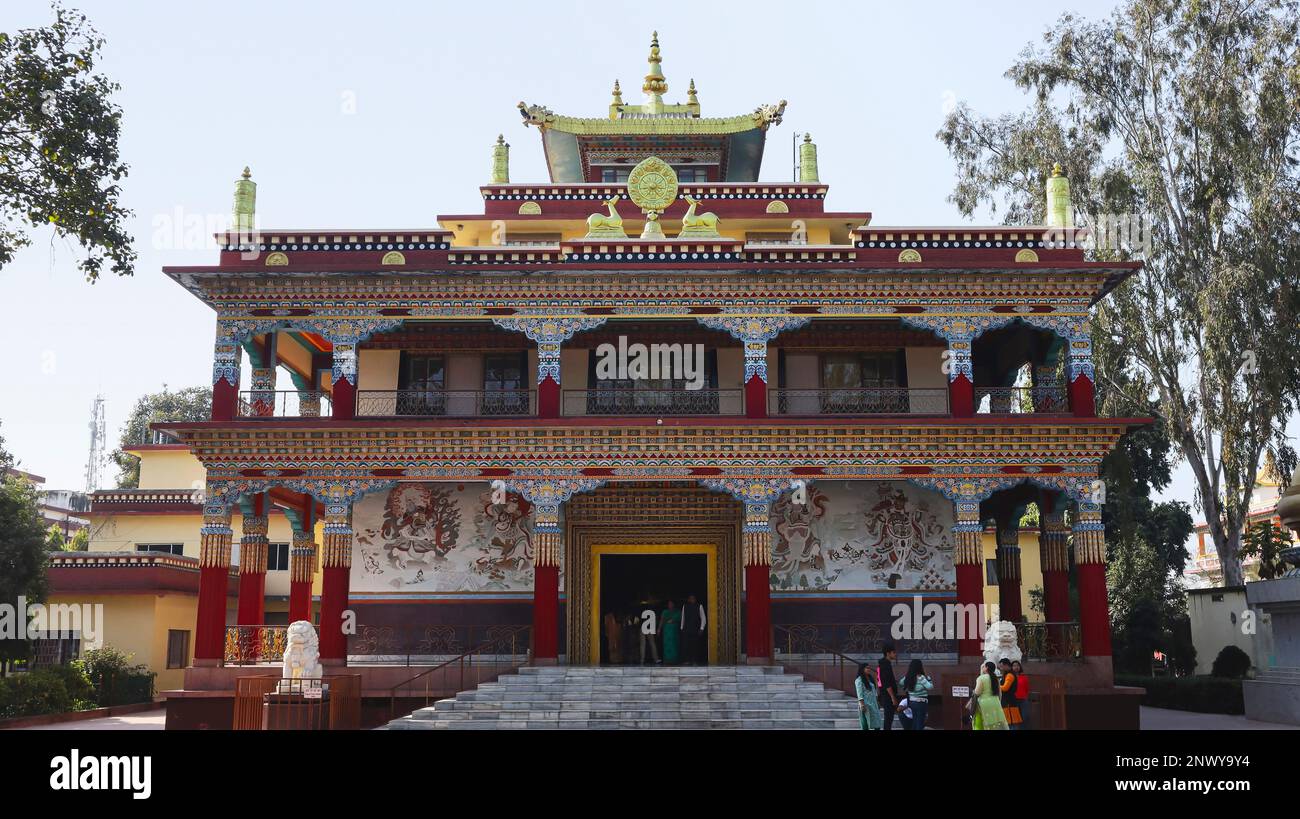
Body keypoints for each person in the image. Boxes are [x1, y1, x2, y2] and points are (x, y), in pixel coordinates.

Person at [970, 661, 1008, 730]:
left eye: (984, 666)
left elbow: (977, 692)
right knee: (995, 723)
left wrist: (973, 692)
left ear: (987, 668)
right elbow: (1000, 693)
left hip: (984, 703)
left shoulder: (981, 678)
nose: (982, 668)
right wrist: (998, 701)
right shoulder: (996, 678)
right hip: (995, 702)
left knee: (981, 722)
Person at [901, 659, 934, 730]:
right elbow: (930, 687)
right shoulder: (922, 677)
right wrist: (924, 678)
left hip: (911, 702)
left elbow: (901, 683)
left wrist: (906, 678)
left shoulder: (908, 677)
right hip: (921, 702)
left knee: (915, 721)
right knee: (920, 723)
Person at [876, 642, 901, 730]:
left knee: (889, 718)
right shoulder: (885, 665)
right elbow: (886, 683)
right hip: (887, 696)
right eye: (893, 652)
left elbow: (880, 681)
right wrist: (893, 697)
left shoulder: (882, 664)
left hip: (884, 695)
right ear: (888, 653)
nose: (895, 654)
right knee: (888, 718)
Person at [854, 662, 884, 730]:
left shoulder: (870, 678)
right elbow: (859, 693)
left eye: (869, 668)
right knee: (865, 724)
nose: (869, 669)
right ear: (862, 669)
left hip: (874, 703)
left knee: (877, 722)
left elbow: (874, 691)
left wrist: (877, 701)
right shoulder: (859, 680)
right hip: (866, 704)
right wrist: (862, 704)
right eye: (867, 668)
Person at [680, 593, 706, 665]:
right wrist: (682, 627)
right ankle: (687, 660)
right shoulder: (685, 606)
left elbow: (703, 618)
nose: (692, 600)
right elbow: (683, 617)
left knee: (695, 645)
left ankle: (695, 660)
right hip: (686, 629)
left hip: (695, 629)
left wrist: (701, 628)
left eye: (693, 598)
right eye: (690, 598)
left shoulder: (699, 606)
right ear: (688, 599)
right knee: (686, 645)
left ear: (695, 599)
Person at [999, 658, 1023, 730]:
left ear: (1006, 665)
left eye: (1001, 666)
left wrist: (996, 686)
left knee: (1011, 724)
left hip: (1009, 703)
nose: (1000, 668)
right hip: (1007, 702)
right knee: (1009, 724)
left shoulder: (1009, 675)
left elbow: (1005, 688)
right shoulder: (1007, 674)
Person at [660, 599, 681, 664]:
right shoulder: (665, 611)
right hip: (666, 632)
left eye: (671, 603)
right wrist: (659, 629)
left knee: (674, 645)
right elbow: (662, 620)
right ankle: (667, 660)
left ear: (674, 604)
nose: (670, 605)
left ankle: (675, 660)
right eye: (668, 604)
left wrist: (672, 621)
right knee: (667, 646)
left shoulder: (678, 611)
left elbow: (679, 619)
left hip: (674, 632)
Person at [1012, 660, 1030, 730]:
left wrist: (1025, 697)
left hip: (1023, 700)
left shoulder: (1024, 677)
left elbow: (1026, 688)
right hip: (1014, 700)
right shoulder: (1010, 677)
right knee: (1015, 718)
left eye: (1017, 665)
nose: (1016, 667)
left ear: (1020, 667)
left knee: (1024, 717)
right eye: (1014, 665)